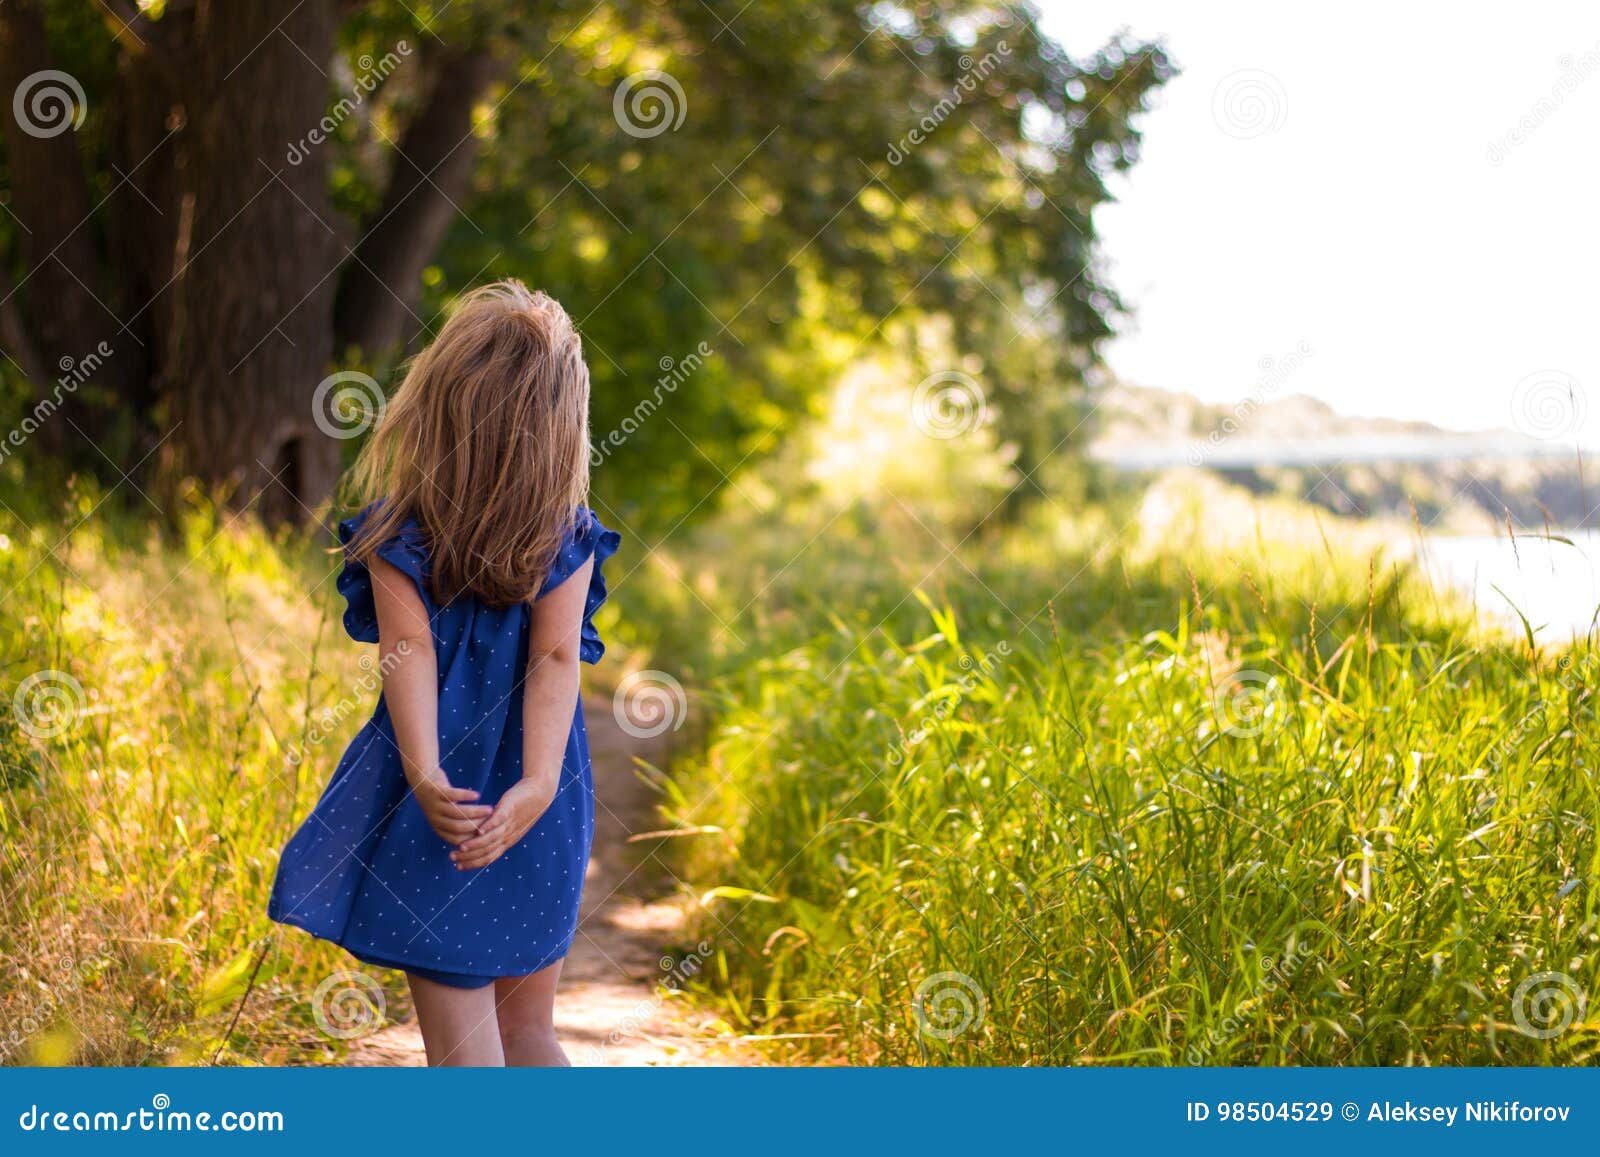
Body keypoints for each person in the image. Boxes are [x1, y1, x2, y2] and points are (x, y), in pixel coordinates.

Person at [269, 280, 620, 1066]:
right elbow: (556, 658)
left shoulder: (398, 531)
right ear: (561, 429)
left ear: (438, 409)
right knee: (531, 1031)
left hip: (446, 809)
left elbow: (412, 650)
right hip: (541, 798)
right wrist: (533, 785)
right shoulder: (569, 536)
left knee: (464, 1052)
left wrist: (424, 771)